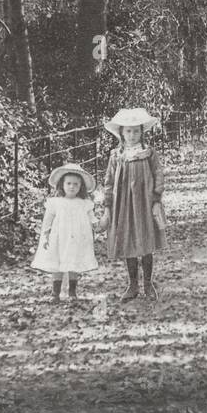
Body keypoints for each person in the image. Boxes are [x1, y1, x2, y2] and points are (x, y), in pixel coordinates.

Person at [100, 107, 166, 301]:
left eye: (136, 131)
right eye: (128, 131)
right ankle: (133, 284)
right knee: (128, 242)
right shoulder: (116, 155)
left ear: (142, 132)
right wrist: (107, 206)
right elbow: (109, 181)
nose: (132, 135)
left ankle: (148, 284)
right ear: (121, 133)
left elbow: (158, 175)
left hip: (145, 204)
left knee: (145, 242)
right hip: (124, 206)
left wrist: (156, 199)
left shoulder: (149, 153)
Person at [31, 163, 98, 302]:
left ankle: (72, 292)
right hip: (59, 238)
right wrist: (46, 235)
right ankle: (55, 293)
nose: (72, 187)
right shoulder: (55, 202)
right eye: (69, 183)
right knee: (57, 263)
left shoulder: (84, 203)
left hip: (77, 238)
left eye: (76, 184)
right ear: (62, 185)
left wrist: (100, 225)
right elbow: (47, 221)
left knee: (74, 262)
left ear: (81, 186)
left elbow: (93, 220)